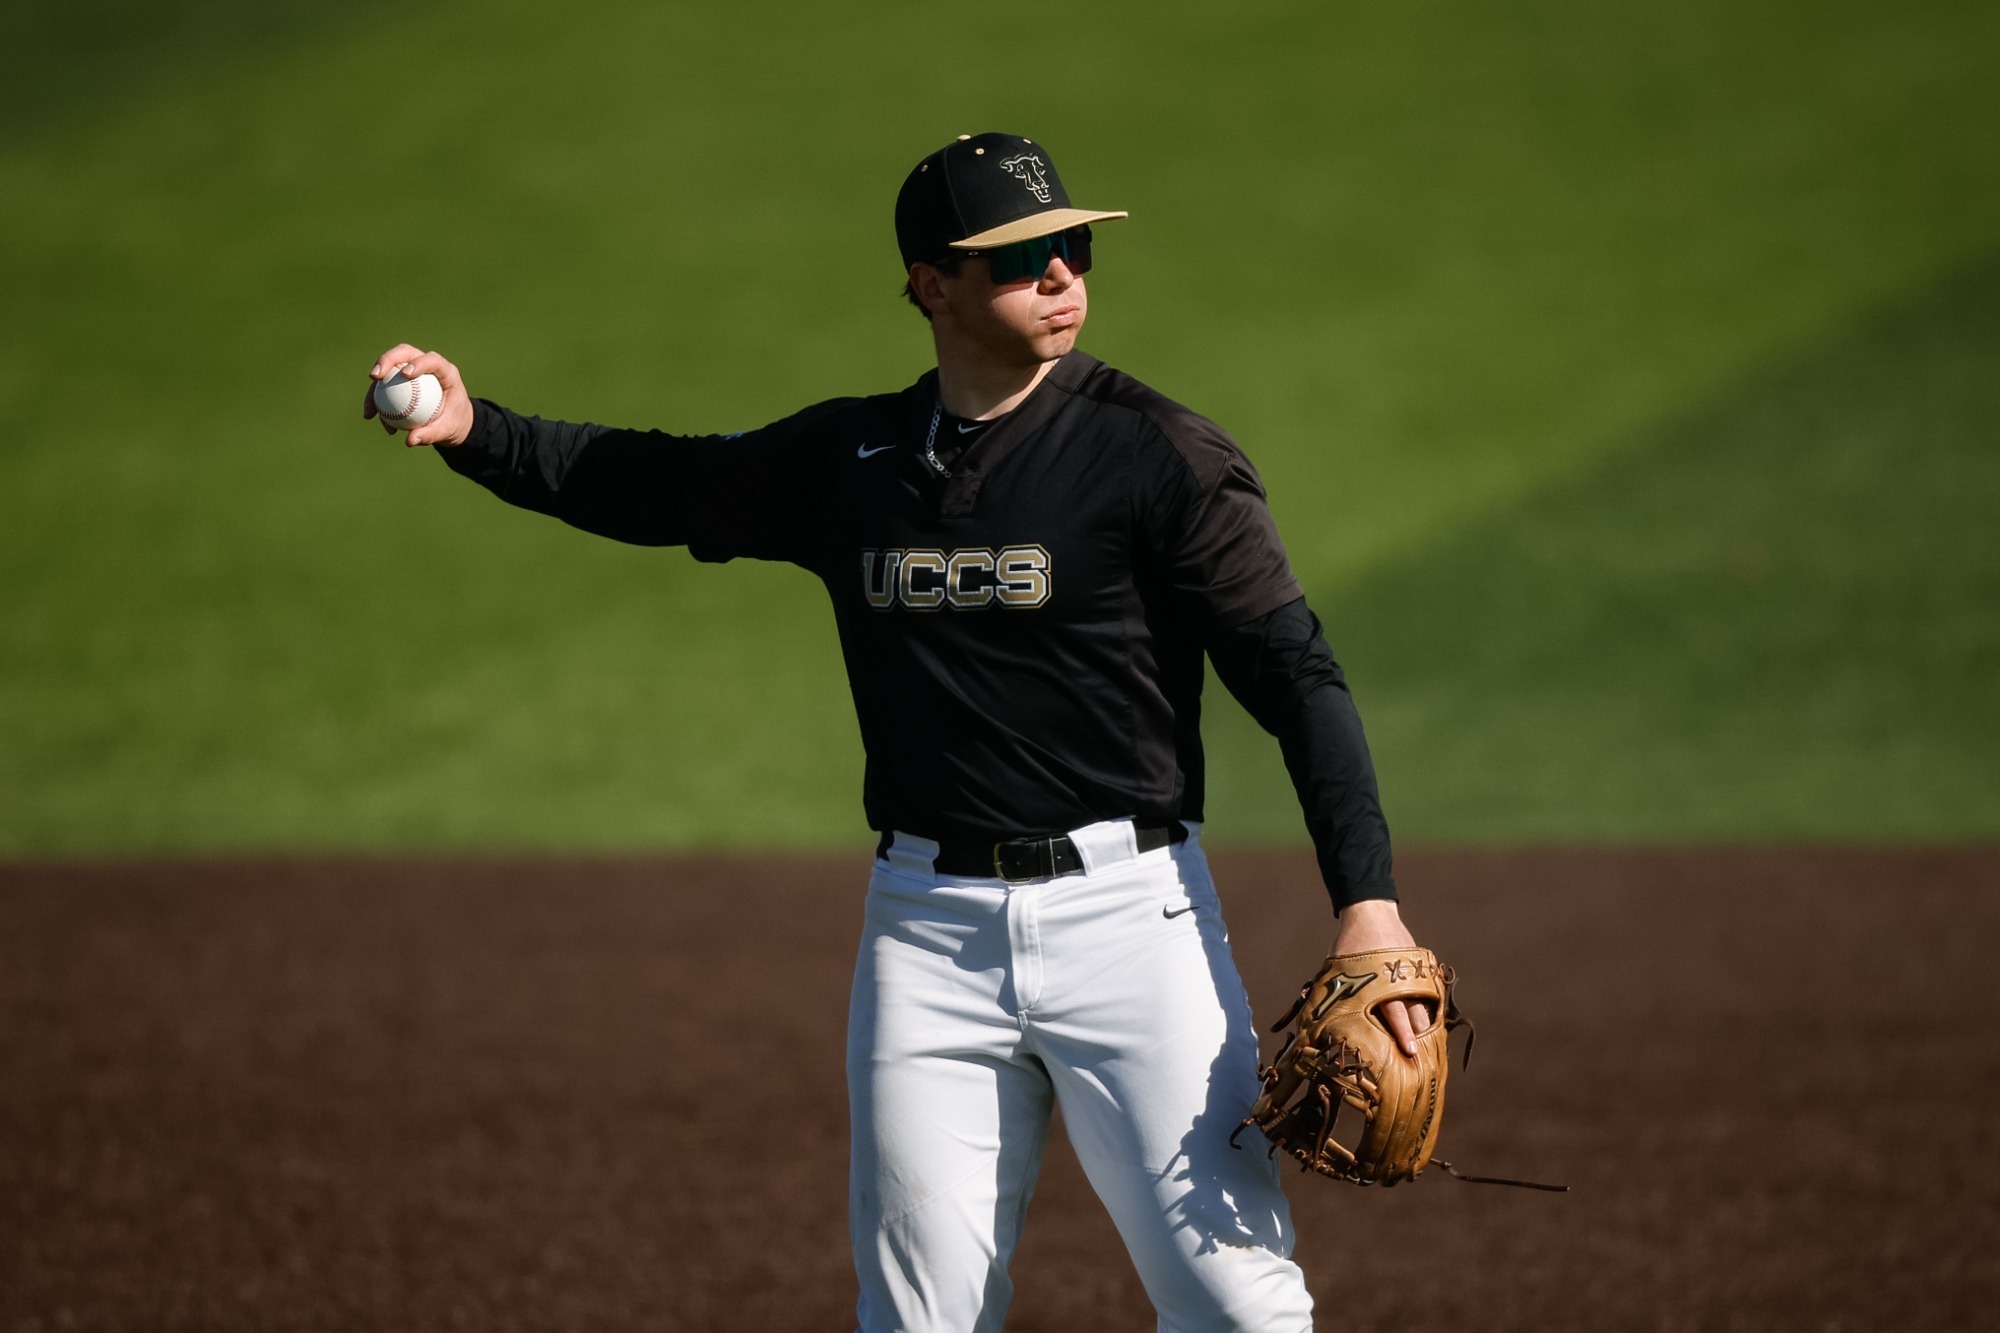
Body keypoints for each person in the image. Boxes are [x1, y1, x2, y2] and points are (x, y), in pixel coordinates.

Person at [364, 131, 1431, 1333]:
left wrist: (1367, 899)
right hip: (924, 937)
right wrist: (472, 430)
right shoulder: (852, 460)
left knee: (1237, 1306)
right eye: (1023, 256)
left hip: (1129, 927)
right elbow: (657, 483)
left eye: (1071, 246)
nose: (1062, 274)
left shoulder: (1156, 457)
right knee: (917, 1320)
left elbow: (1296, 676)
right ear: (930, 284)